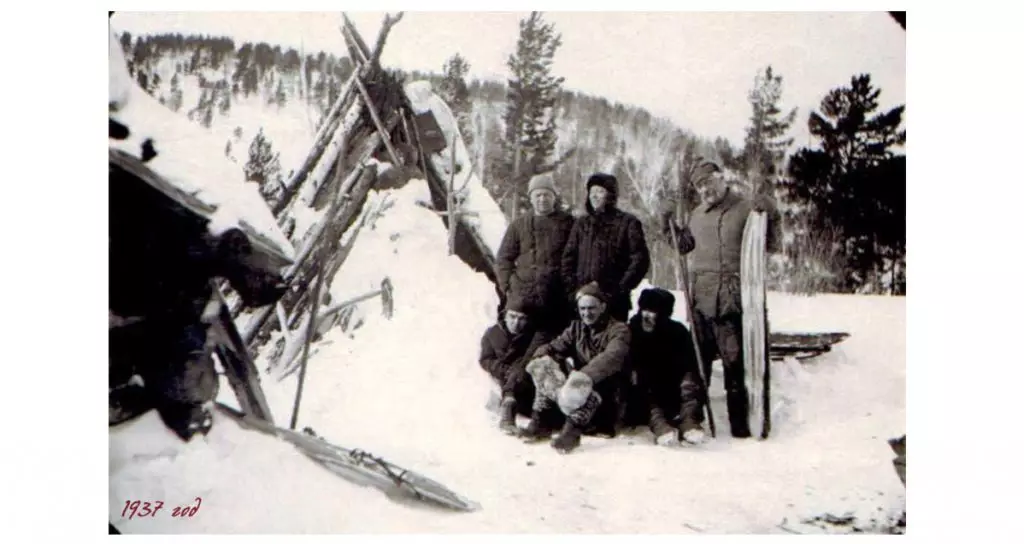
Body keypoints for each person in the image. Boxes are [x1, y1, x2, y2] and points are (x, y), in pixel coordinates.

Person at [662, 158, 781, 438]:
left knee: (734, 364)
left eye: (709, 182)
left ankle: (740, 425)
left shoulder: (746, 209)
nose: (705, 190)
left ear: (721, 178)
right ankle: (694, 419)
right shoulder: (696, 214)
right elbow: (683, 246)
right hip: (701, 298)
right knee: (697, 363)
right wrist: (665, 223)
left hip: (733, 300)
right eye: (700, 186)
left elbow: (771, 244)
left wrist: (772, 215)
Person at [521, 282, 631, 453]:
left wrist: (581, 377)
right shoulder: (577, 327)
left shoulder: (619, 330)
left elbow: (612, 358)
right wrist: (541, 356)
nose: (587, 313)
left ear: (603, 307)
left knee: (588, 383)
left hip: (609, 395)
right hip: (576, 392)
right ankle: (541, 420)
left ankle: (573, 431)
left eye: (592, 308)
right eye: (583, 309)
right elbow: (556, 346)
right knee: (543, 365)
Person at [561, 173, 650, 323]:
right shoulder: (581, 224)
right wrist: (574, 291)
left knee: (614, 342)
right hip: (583, 302)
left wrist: (619, 289)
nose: (594, 196)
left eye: (600, 191)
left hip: (614, 302)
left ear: (611, 195)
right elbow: (568, 259)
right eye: (592, 192)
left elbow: (640, 260)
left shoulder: (628, 223)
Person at [495, 172, 576, 335]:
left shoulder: (568, 223)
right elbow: (504, 258)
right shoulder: (518, 225)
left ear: (554, 197)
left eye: (547, 195)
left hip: (556, 295)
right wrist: (509, 288)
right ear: (531, 198)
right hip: (524, 296)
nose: (542, 199)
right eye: (537, 195)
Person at [626, 287, 707, 446]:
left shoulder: (677, 331)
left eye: (652, 311)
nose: (646, 315)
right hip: (645, 387)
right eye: (644, 310)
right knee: (643, 391)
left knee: (690, 383)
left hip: (672, 384)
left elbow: (689, 363)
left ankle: (689, 423)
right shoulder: (631, 330)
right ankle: (660, 427)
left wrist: (686, 377)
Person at [478, 294, 547, 434]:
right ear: (505, 316)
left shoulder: (532, 335)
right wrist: (503, 369)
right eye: (512, 316)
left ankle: (511, 409)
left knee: (520, 366)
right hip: (506, 379)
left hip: (526, 382)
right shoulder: (493, 333)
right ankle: (508, 408)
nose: (516, 322)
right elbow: (485, 359)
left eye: (521, 318)